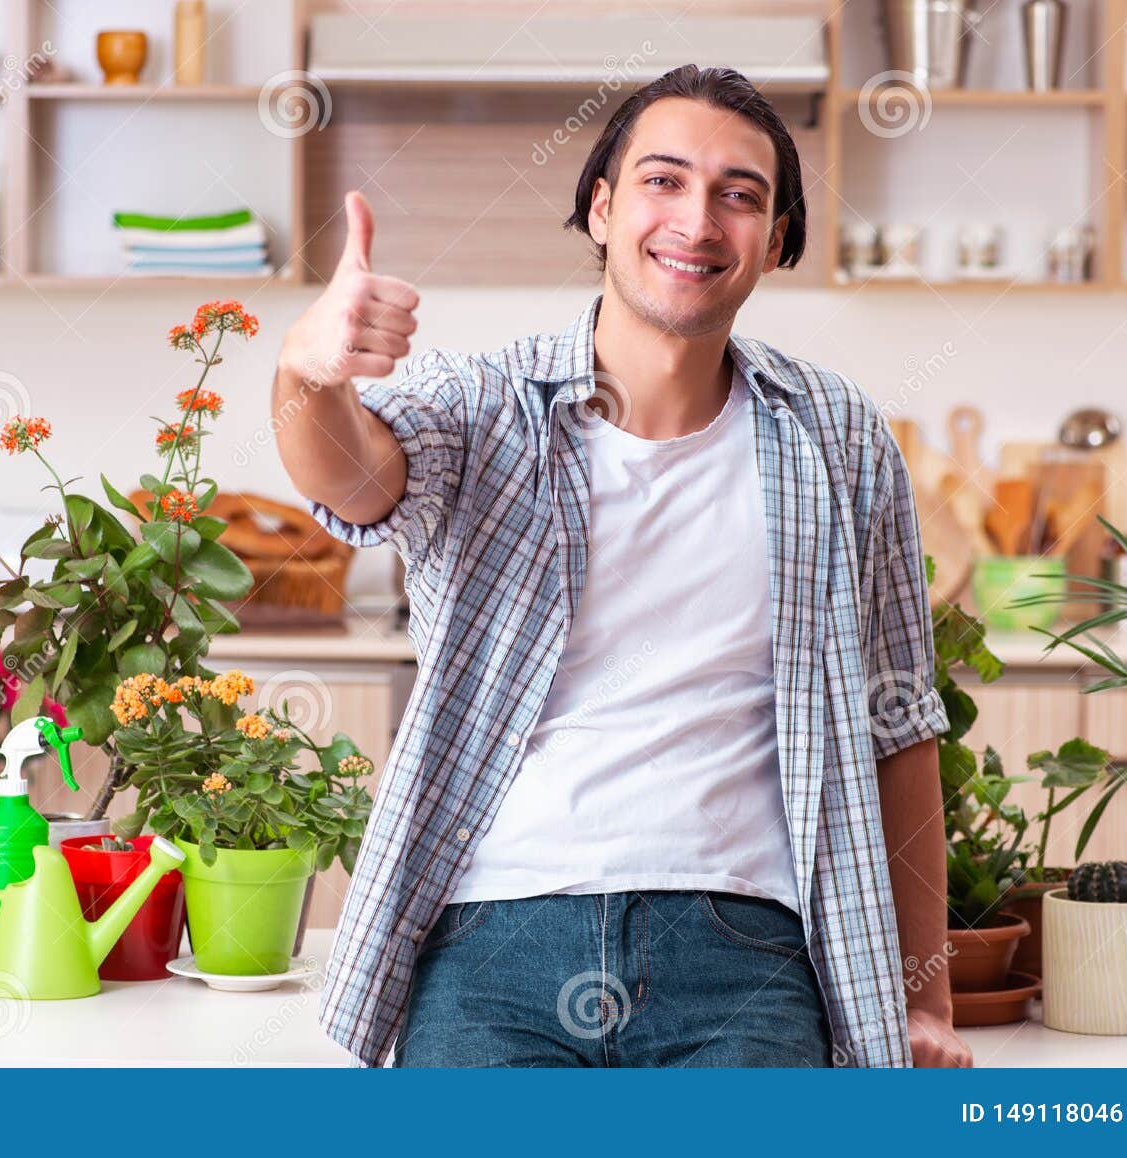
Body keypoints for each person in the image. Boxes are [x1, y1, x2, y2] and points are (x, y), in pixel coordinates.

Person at [272, 64, 969, 1069]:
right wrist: (308, 374)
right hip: (494, 935)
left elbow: (898, 722)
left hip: (743, 947)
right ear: (601, 209)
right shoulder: (487, 404)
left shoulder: (838, 434)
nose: (697, 219)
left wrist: (927, 1003)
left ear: (773, 242)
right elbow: (354, 481)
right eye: (663, 180)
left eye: (740, 195)